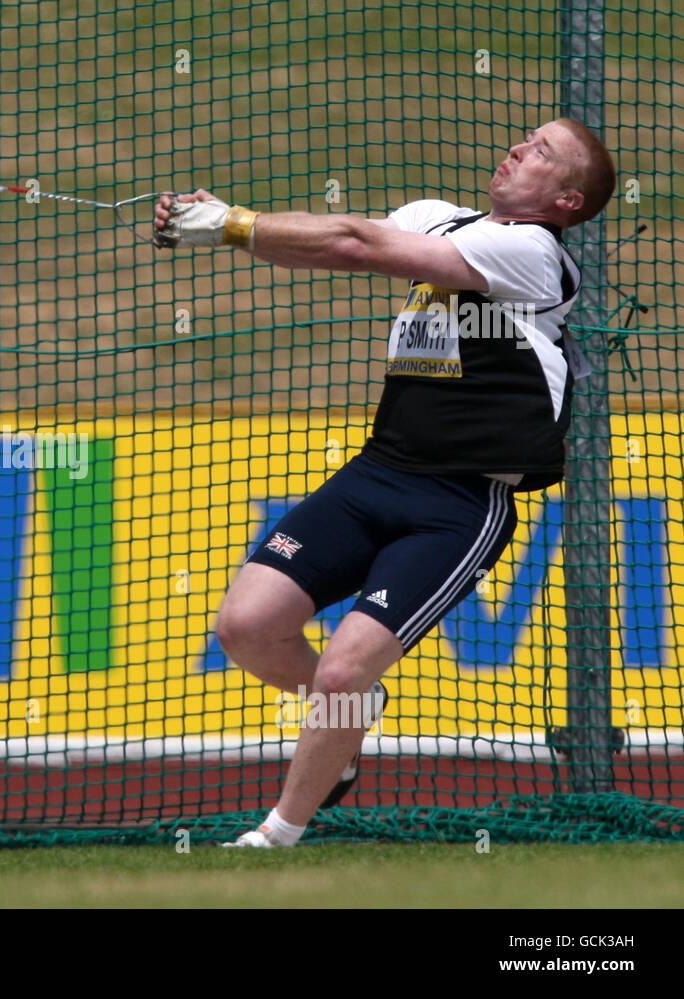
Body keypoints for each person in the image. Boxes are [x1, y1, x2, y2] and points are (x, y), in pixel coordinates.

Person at [153, 119, 615, 847]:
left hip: (458, 505)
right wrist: (227, 220)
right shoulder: (435, 217)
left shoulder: (533, 254)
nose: (521, 149)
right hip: (376, 473)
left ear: (566, 199)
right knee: (247, 627)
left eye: (544, 153)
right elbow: (337, 240)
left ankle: (275, 835)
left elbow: (356, 246)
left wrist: (233, 225)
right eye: (526, 138)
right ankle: (348, 720)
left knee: (342, 671)